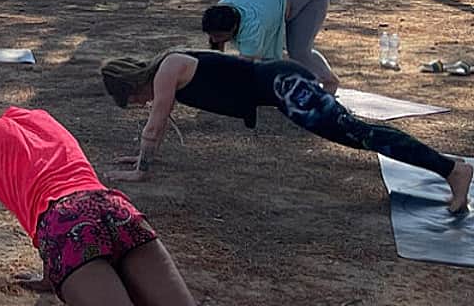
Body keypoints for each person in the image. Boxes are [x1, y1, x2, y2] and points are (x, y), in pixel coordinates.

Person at [0, 104, 347, 306]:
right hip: (112, 208)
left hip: (67, 227)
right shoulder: (38, 119)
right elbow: (54, 182)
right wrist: (48, 276)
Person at [99, 50, 472, 213]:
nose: (140, 105)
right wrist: (144, 157)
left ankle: (451, 169)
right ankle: (449, 169)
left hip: (284, 84)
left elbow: (158, 119)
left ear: (132, 87)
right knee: (356, 132)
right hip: (281, 85)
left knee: (359, 133)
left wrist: (141, 170)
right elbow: (157, 122)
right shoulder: (168, 69)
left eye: (133, 101)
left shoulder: (167, 69)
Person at [202, 0, 340, 92]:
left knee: (299, 51)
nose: (214, 39)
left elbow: (246, 67)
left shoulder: (254, 26)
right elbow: (217, 47)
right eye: (211, 34)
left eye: (219, 36)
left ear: (234, 28)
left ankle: (330, 81)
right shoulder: (221, 9)